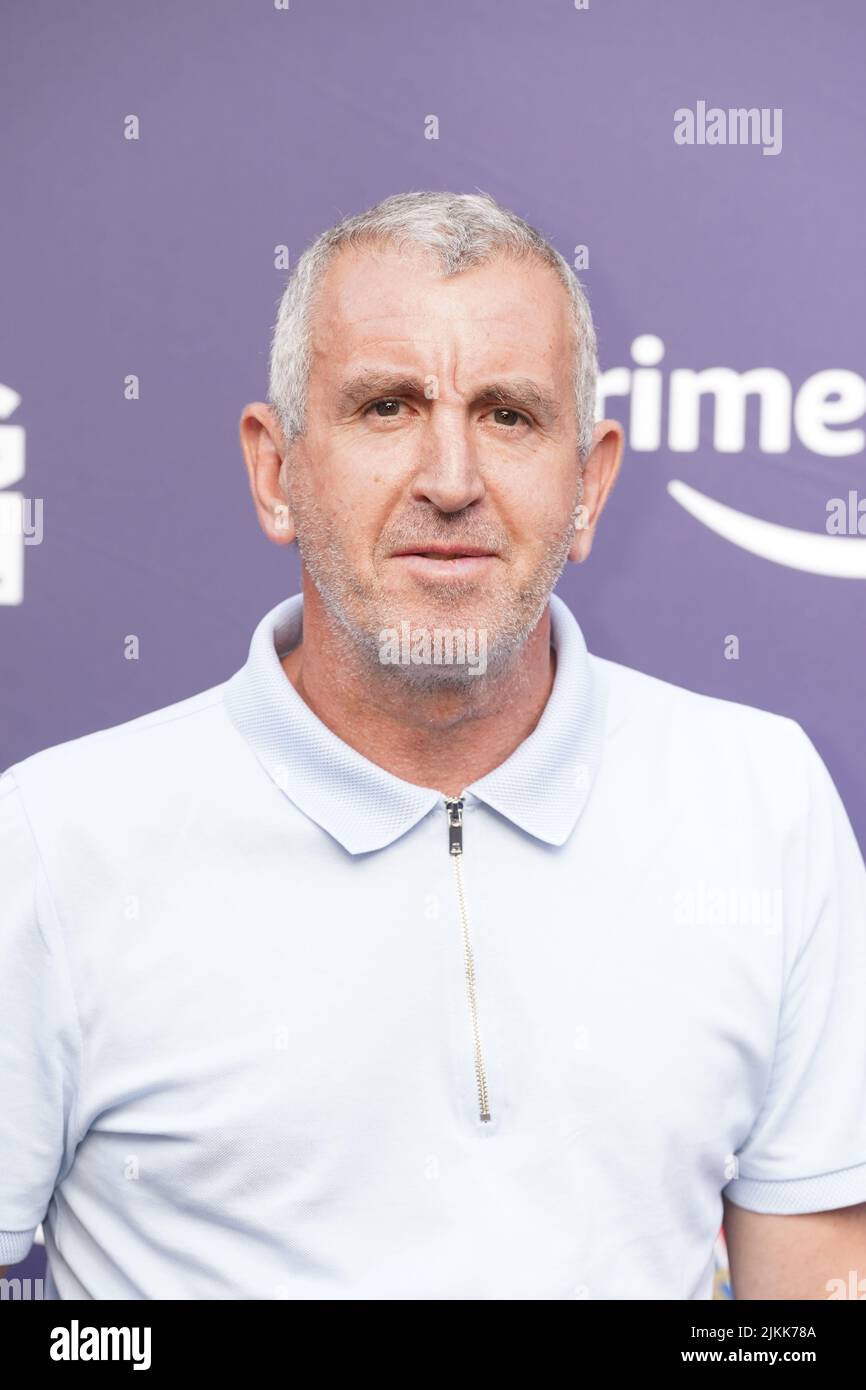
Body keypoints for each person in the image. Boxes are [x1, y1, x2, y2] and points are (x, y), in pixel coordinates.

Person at [2, 190, 865, 1301]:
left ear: (589, 485)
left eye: (507, 414)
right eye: (385, 407)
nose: (449, 480)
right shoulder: (56, 842)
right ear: (277, 473)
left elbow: (808, 1303)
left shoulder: (762, 800)